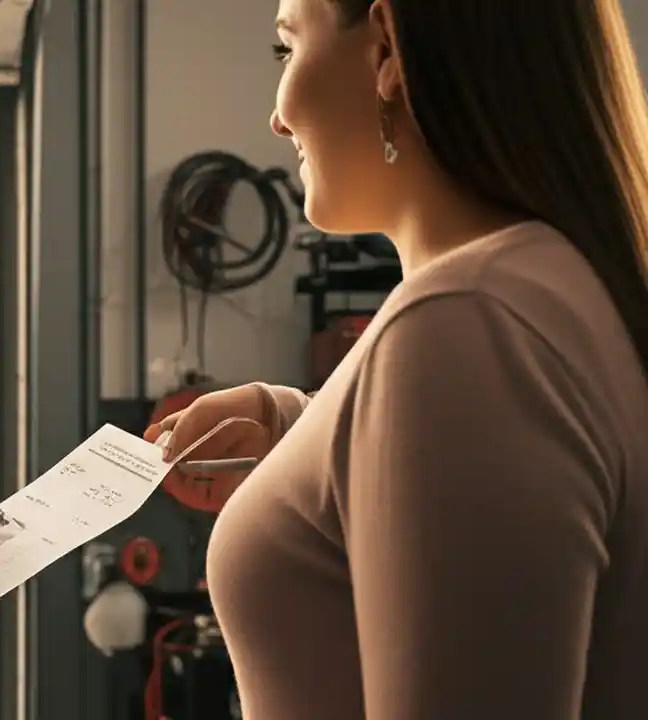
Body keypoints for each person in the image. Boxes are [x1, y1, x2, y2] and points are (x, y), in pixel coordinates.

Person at [147, 0, 648, 717]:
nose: (277, 119)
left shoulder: (465, 327)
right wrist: (303, 431)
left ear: (386, 50)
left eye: (286, 49)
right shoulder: (536, 293)